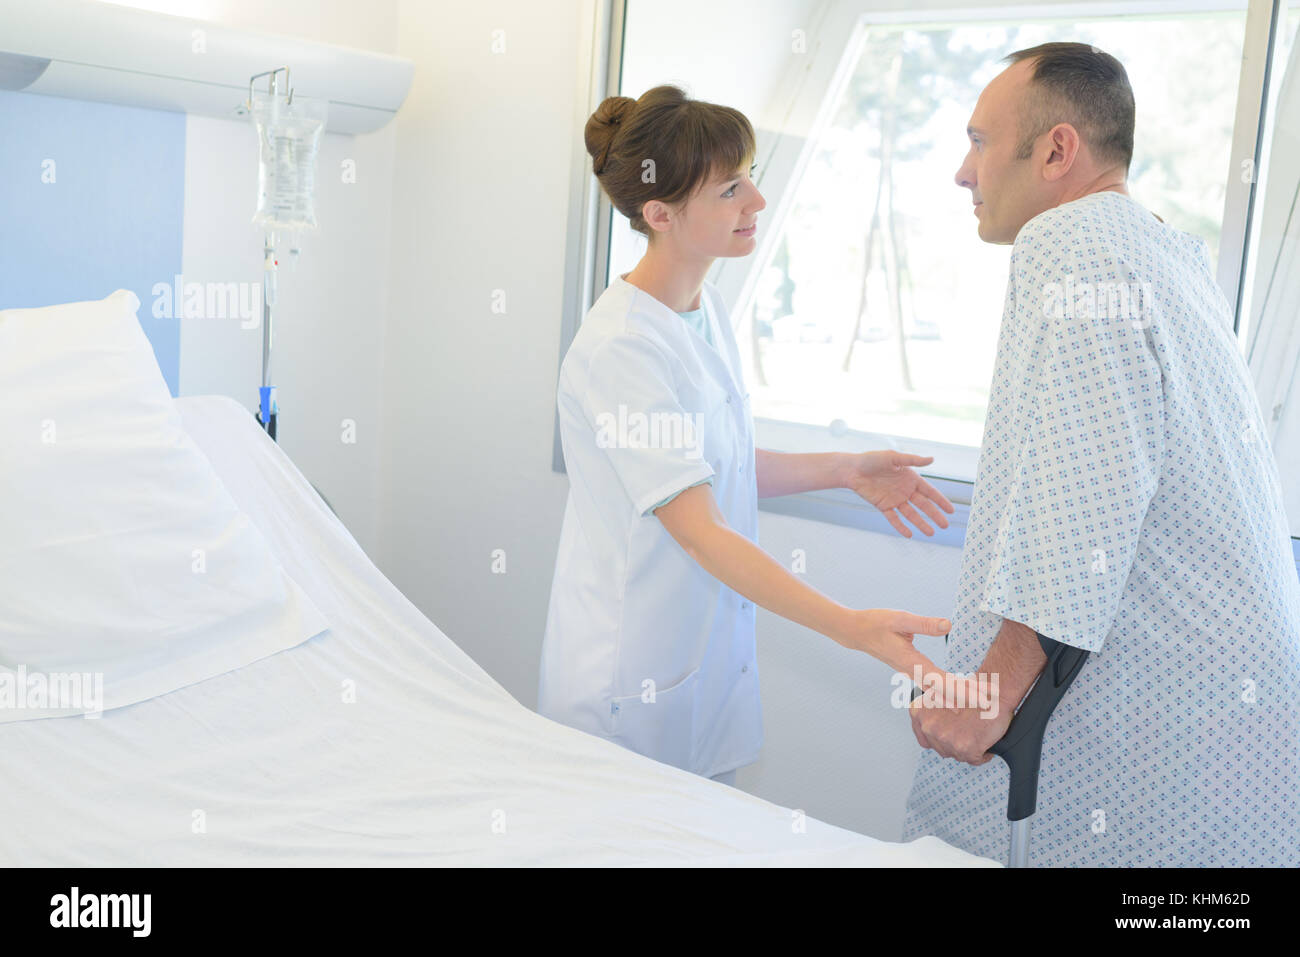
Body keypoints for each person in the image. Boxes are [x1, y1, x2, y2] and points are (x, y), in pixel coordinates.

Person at [902, 42, 1300, 865]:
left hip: (1167, 709)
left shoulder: (1072, 242)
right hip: (1225, 699)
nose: (961, 172)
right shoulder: (1164, 249)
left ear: (1056, 150)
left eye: (979, 140)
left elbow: (1085, 490)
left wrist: (992, 687)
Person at [539, 85, 956, 786]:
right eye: (731, 188)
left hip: (696, 669)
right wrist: (852, 626)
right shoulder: (621, 349)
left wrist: (847, 468)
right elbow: (702, 529)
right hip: (629, 685)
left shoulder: (702, 312)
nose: (755, 203)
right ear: (660, 213)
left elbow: (718, 465)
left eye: (751, 179)